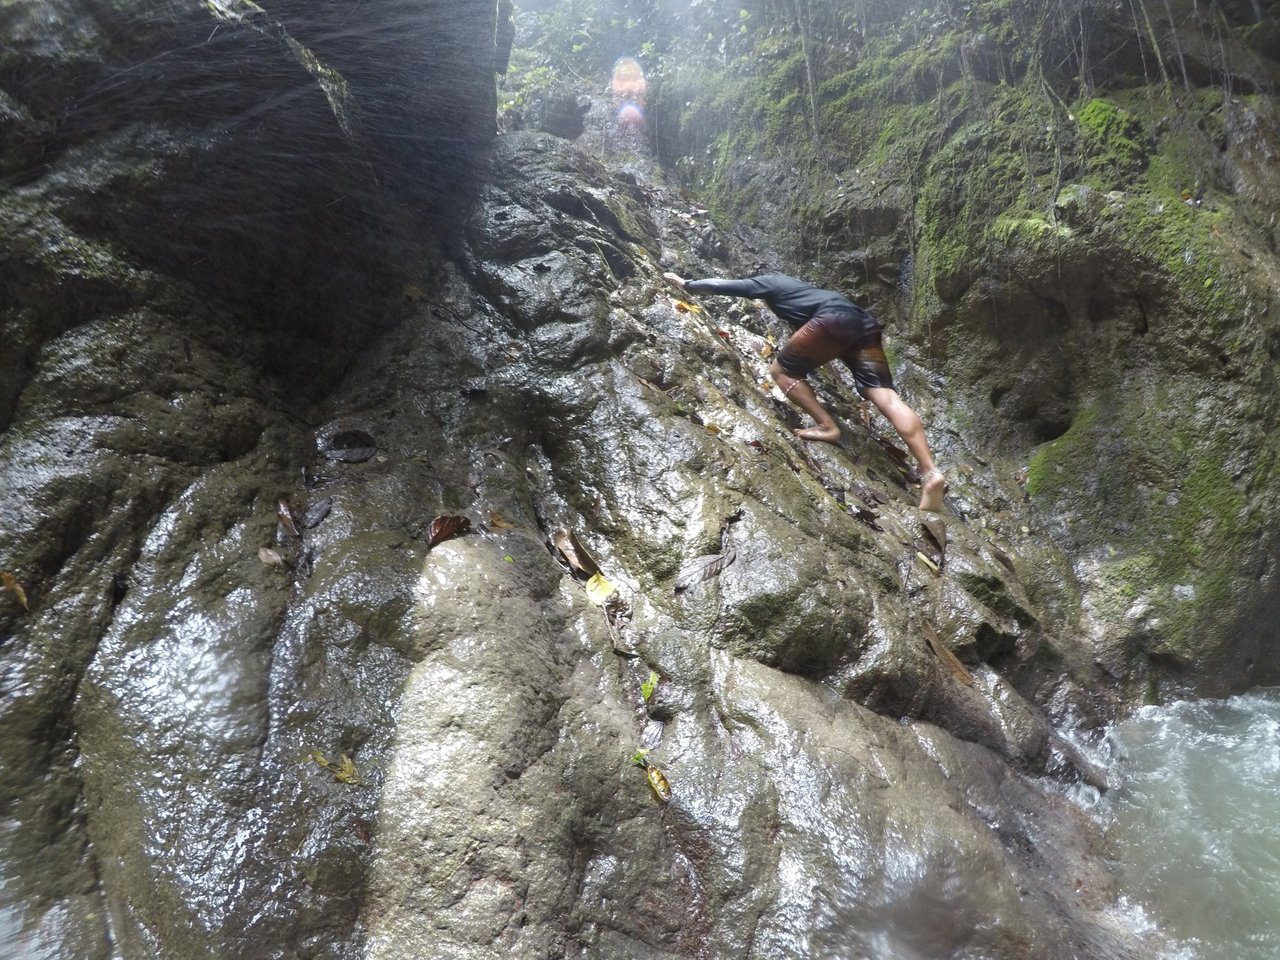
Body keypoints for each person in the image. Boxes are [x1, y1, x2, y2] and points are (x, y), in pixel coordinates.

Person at [663, 269, 947, 511]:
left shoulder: (771, 282)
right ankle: (930, 471)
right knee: (885, 396)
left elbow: (725, 286)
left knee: (780, 371)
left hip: (832, 320)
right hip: (863, 323)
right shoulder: (803, 289)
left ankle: (826, 426)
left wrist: (687, 284)